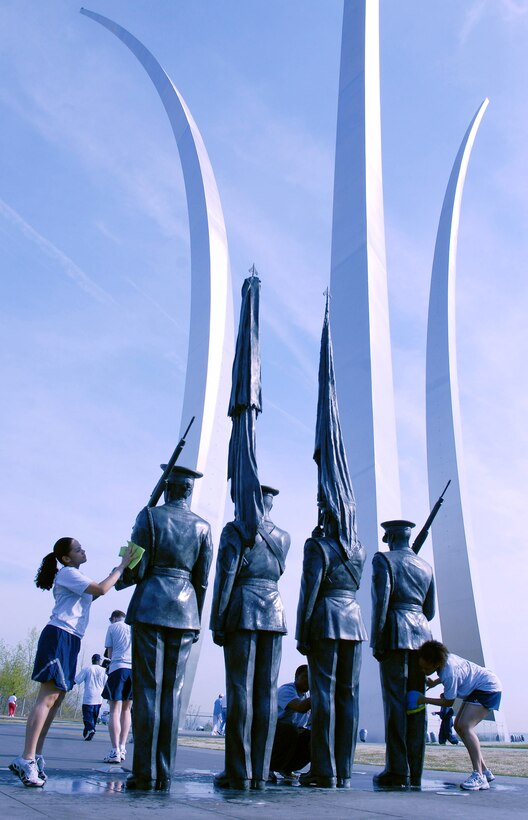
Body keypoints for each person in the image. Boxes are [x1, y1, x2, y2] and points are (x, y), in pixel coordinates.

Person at [116, 464, 213, 791]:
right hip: (185, 612)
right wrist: (195, 616)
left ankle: (144, 772)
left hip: (150, 606)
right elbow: (202, 581)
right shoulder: (203, 527)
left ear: (168, 487)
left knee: (147, 692)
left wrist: (125, 569)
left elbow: (138, 567)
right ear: (188, 490)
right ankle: (163, 771)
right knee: (171, 694)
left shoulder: (149, 517)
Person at [9, 537, 133, 787]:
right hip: (58, 636)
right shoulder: (67, 573)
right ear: (66, 558)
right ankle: (27, 758)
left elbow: (94, 593)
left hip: (70, 639)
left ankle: (36, 756)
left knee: (56, 700)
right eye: (78, 549)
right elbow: (100, 589)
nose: (83, 550)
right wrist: (122, 566)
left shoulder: (75, 577)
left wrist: (115, 572)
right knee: (46, 698)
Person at [210, 485, 290, 791]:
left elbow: (226, 575)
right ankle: (261, 770)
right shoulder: (284, 536)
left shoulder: (235, 531)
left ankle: (239, 771)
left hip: (243, 608)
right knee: (267, 694)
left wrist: (218, 618)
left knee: (240, 690)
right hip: (275, 610)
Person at [296, 509, 367, 789]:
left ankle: (324, 769)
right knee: (348, 697)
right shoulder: (360, 550)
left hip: (326, 619)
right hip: (354, 621)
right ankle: (344, 769)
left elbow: (309, 590)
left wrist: (303, 632)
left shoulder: (317, 546)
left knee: (323, 696)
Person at [370, 520, 435, 790]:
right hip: (422, 635)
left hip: (396, 633)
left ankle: (397, 770)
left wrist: (377, 640)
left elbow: (381, 602)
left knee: (395, 704)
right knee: (416, 704)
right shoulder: (425, 566)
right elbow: (429, 610)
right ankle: (415, 770)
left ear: (391, 536)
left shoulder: (383, 560)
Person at [417, 640, 501, 791]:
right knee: (458, 726)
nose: (422, 670)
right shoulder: (444, 659)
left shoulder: (448, 672)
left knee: (465, 726)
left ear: (435, 664)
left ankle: (479, 776)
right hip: (479, 687)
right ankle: (485, 772)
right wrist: (435, 683)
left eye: (425, 667)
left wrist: (424, 700)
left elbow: (448, 702)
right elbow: (448, 674)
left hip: (488, 688)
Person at [269, 665, 311, 781]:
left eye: (312, 678)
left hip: (291, 732)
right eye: (306, 677)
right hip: (272, 732)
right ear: (296, 676)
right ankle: (268, 768)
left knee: (312, 737)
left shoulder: (307, 696)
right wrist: (320, 693)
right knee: (289, 730)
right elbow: (300, 707)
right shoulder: (286, 690)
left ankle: (287, 768)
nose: (309, 681)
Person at [102, 610, 132, 764]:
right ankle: (122, 746)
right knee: (127, 710)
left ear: (113, 618)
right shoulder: (133, 626)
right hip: (133, 669)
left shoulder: (113, 627)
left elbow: (110, 653)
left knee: (115, 709)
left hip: (118, 667)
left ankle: (115, 750)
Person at [75, 654, 107, 740]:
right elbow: (106, 684)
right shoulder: (104, 670)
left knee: (87, 715)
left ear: (92, 660)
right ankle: (89, 730)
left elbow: (77, 680)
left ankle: (90, 729)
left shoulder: (87, 669)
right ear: (99, 660)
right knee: (94, 716)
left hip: (89, 696)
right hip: (99, 697)